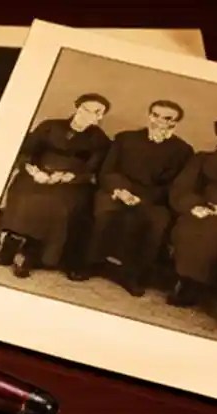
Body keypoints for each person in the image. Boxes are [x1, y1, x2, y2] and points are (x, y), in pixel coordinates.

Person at [74, 100, 193, 294]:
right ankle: (90, 263)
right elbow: (107, 171)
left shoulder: (183, 150)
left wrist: (144, 198)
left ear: (175, 123)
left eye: (167, 118)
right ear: (148, 115)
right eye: (155, 115)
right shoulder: (125, 139)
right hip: (117, 191)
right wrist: (120, 190)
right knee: (105, 213)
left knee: (156, 222)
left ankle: (132, 274)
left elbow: (174, 185)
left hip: (152, 198)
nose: (159, 121)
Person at [0, 93, 112, 277]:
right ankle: (11, 242)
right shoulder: (49, 126)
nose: (89, 115)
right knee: (26, 195)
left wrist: (68, 176)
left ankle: (29, 252)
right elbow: (27, 151)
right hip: (35, 174)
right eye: (85, 109)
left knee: (57, 203)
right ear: (77, 108)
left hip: (71, 183)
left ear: (100, 117)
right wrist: (34, 171)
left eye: (97, 112)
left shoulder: (100, 140)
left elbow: (92, 169)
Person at [166, 117, 217, 307]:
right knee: (191, 228)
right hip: (206, 208)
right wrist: (195, 205)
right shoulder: (202, 159)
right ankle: (187, 282)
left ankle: (208, 285)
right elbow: (182, 187)